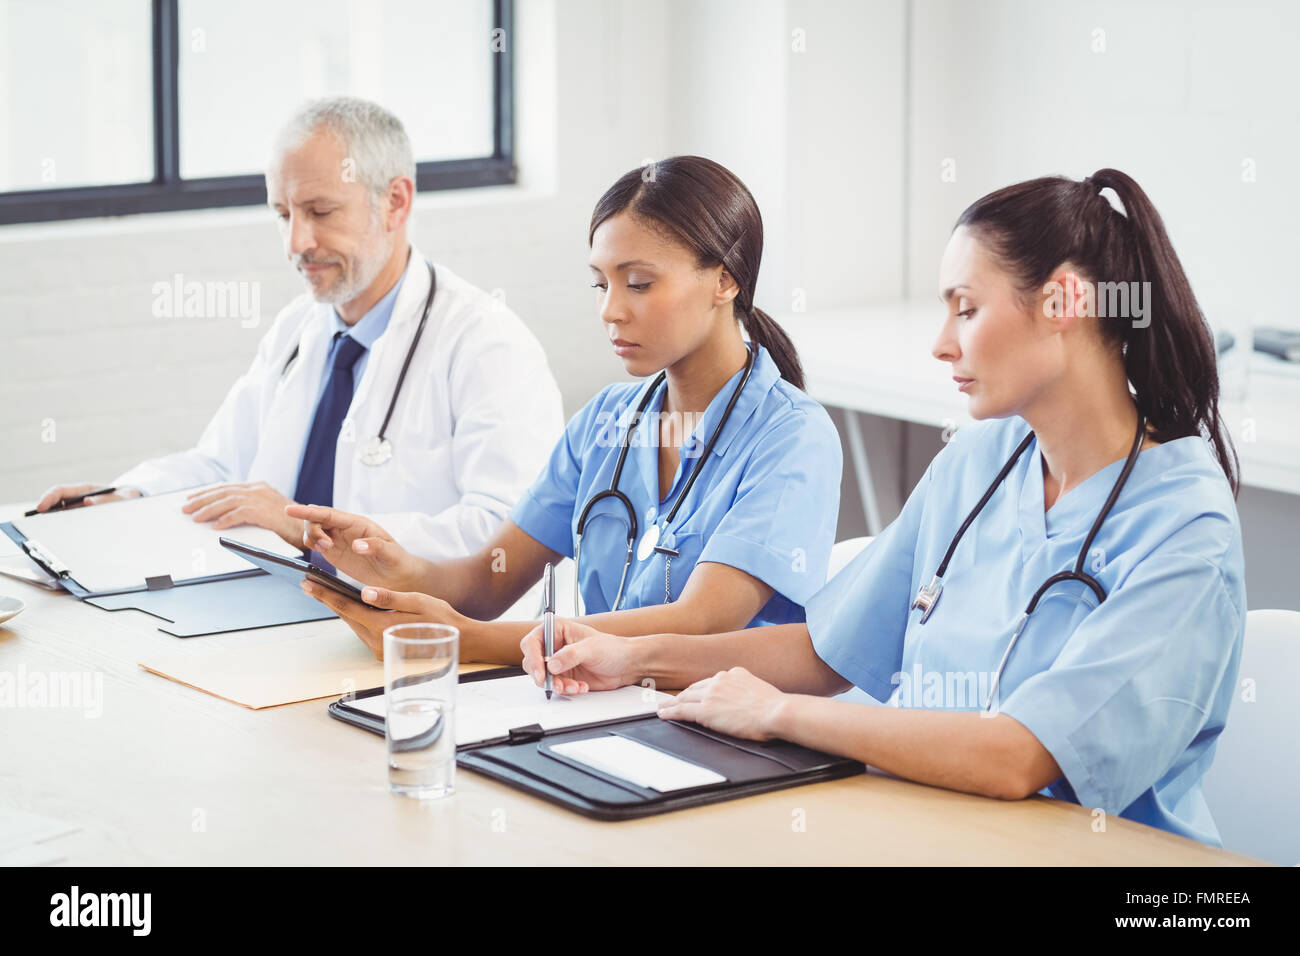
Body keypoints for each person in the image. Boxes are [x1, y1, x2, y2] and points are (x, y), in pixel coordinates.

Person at [522, 168, 1247, 846]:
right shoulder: (977, 464)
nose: (940, 344)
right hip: (937, 834)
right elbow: (823, 648)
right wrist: (625, 658)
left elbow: (1019, 756)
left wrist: (779, 713)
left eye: (966, 309)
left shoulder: (1185, 529)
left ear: (1063, 303)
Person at [293, 156, 843, 664]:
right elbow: (488, 582)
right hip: (604, 708)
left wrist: (469, 641)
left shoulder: (792, 437)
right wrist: (397, 568)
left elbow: (701, 623)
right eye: (601, 284)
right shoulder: (607, 421)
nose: (611, 310)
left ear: (725, 279)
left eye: (639, 284)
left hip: (735, 730)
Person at [32, 96, 563, 560]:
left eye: (320, 211)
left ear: (396, 201)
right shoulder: (299, 330)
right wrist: (127, 497)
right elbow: (222, 464)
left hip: (416, 631)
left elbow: (505, 536)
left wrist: (309, 530)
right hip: (286, 603)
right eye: (283, 214)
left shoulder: (487, 344)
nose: (297, 243)